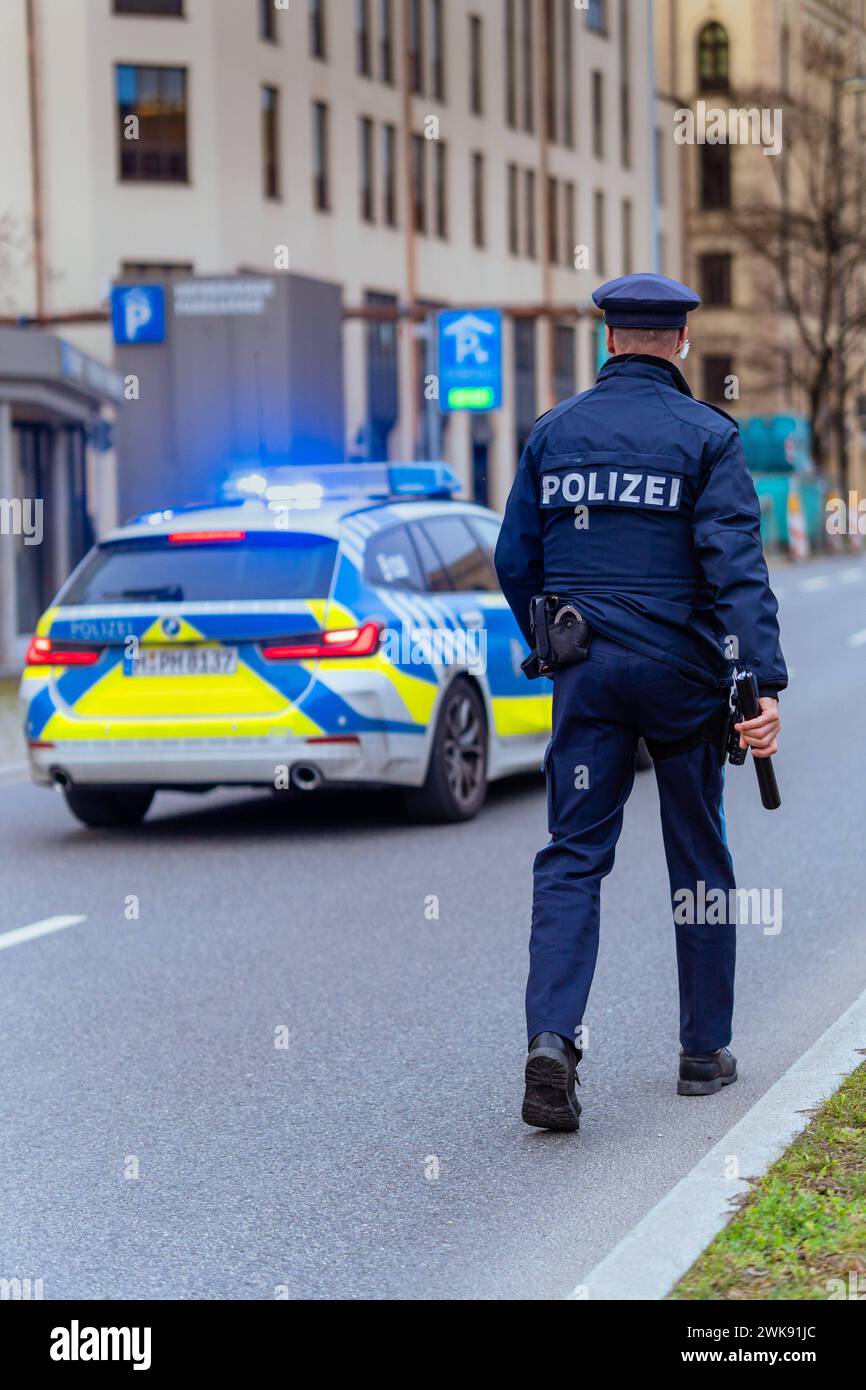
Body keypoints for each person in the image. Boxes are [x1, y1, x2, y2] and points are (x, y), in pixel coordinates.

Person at [494, 272, 787, 1132]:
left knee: (572, 857)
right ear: (682, 341)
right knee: (699, 856)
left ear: (609, 339)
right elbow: (737, 572)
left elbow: (515, 560)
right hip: (684, 683)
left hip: (588, 674)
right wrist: (762, 684)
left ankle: (553, 1041)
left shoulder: (554, 433)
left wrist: (551, 640)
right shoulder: (708, 436)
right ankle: (703, 1052)